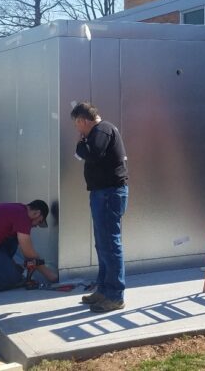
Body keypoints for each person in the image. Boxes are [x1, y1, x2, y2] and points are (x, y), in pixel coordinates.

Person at [71, 102, 129, 313]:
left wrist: (80, 145)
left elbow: (92, 153)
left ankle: (114, 296)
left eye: (77, 126)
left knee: (110, 245)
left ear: (82, 120)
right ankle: (104, 290)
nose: (78, 131)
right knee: (102, 244)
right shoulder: (100, 131)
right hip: (103, 194)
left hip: (108, 194)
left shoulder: (102, 130)